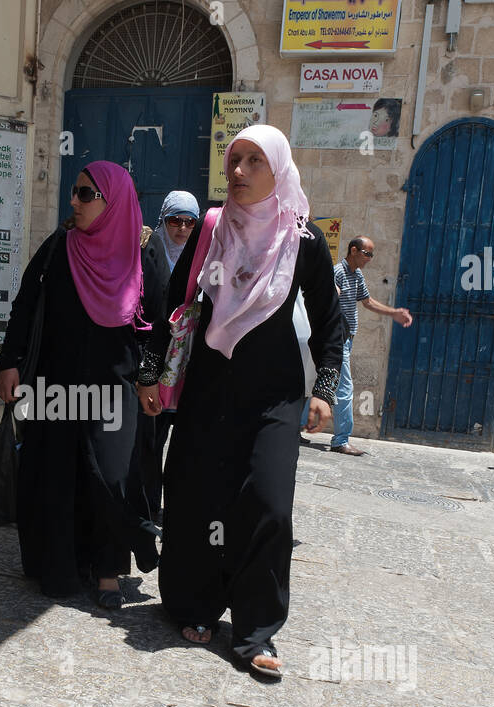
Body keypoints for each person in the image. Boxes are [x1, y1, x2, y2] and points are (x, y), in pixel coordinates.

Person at [136, 124, 344, 678]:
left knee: (269, 506)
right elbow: (170, 304)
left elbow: (330, 321)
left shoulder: (303, 241)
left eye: (255, 161)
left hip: (274, 399)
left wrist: (325, 390)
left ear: (279, 171)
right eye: (234, 159)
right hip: (208, 391)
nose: (239, 171)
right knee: (195, 497)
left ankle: (255, 632)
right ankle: (193, 605)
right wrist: (151, 373)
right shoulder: (210, 228)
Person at [0, 161, 159, 605]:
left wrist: (147, 382)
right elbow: (24, 307)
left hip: (114, 391)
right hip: (55, 388)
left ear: (113, 203)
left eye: (86, 194)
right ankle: (59, 568)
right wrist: (10, 363)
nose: (75, 201)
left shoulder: (141, 259)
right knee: (56, 477)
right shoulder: (58, 248)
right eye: (74, 192)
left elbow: (158, 330)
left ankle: (108, 570)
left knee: (111, 477)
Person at [138, 190, 200, 520]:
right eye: (175, 220)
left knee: (185, 443)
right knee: (151, 438)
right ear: (163, 219)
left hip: (187, 363)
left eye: (190, 222)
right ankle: (147, 507)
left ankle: (175, 508)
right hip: (156, 360)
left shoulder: (203, 258)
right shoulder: (148, 252)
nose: (182, 228)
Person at [327, 236, 413, 455]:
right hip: (336, 337)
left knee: (318, 381)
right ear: (354, 250)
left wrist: (393, 313)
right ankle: (341, 440)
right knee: (344, 389)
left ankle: (299, 427)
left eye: (372, 254)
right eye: (368, 254)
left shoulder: (357, 275)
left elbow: (367, 301)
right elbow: (328, 299)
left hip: (347, 337)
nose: (370, 259)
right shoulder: (338, 272)